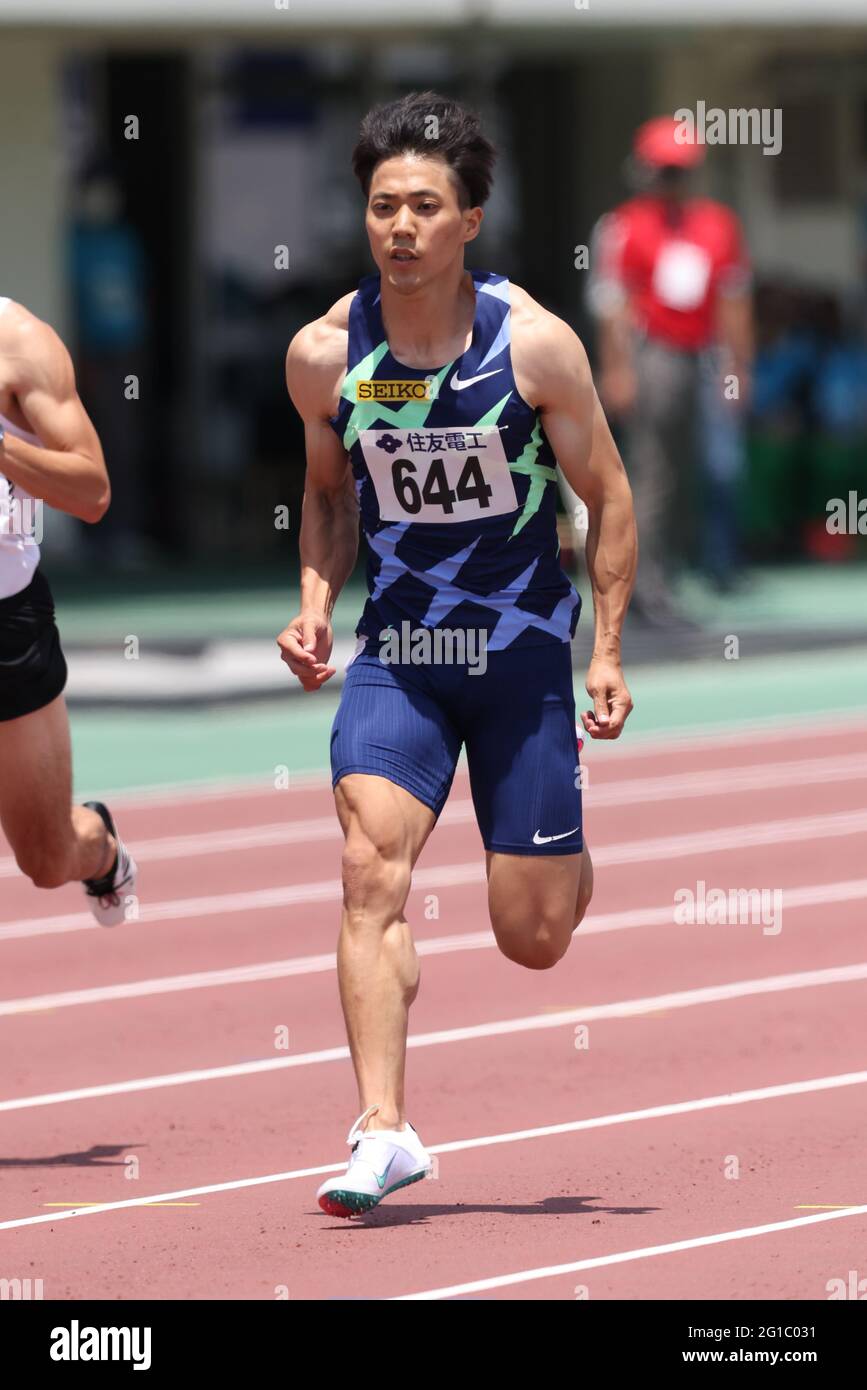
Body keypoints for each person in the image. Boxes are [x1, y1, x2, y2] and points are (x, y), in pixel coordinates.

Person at [277, 92, 636, 1217]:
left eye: (425, 206)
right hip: (403, 656)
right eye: (383, 205)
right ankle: (383, 1130)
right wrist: (314, 599)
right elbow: (328, 495)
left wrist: (608, 651)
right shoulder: (326, 356)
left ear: (469, 220)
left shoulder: (532, 345)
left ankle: (564, 851)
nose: (399, 226)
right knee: (366, 867)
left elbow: (609, 496)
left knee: (531, 938)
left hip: (524, 657)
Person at [565, 114, 753, 617]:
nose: (672, 182)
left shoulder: (716, 225)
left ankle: (698, 568)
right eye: (664, 171)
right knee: (653, 473)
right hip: (654, 357)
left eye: (680, 171)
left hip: (704, 358)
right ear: (645, 171)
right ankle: (645, 587)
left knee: (709, 469)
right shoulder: (623, 226)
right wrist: (618, 369)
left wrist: (739, 366)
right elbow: (611, 303)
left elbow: (733, 300)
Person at [0, 295, 137, 925]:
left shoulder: (21, 343)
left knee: (47, 858)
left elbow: (92, 490)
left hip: (9, 627)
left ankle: (100, 847)